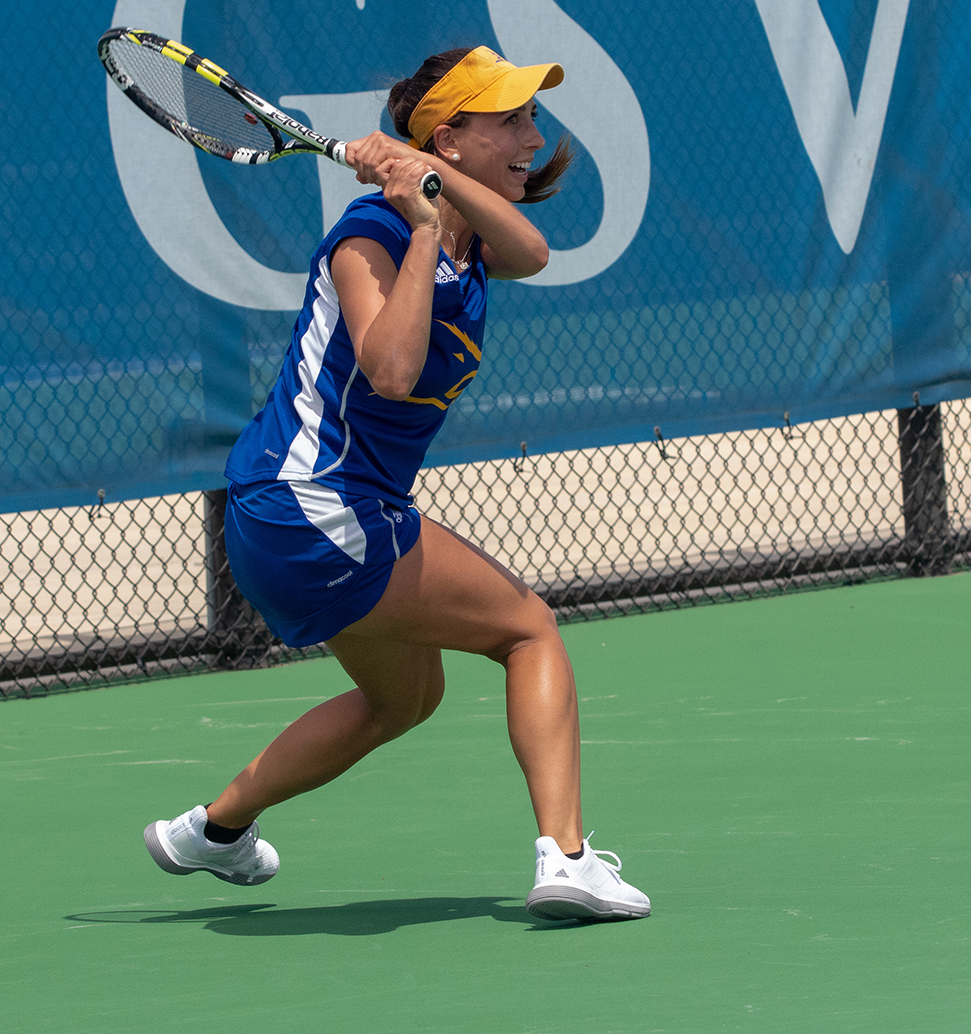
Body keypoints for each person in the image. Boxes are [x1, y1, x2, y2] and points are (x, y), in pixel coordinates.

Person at [143, 46, 650, 922]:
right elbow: (388, 370)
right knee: (529, 630)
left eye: (533, 118)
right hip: (311, 506)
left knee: (406, 696)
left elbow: (531, 248)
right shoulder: (371, 238)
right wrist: (419, 220)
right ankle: (567, 859)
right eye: (512, 121)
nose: (535, 137)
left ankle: (210, 833)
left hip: (306, 513)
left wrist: (434, 188)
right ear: (450, 139)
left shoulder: (472, 236)